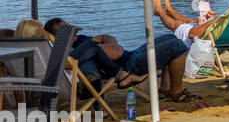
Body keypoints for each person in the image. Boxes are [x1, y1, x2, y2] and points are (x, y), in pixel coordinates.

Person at [43, 18, 193, 102]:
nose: (73, 31)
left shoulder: (80, 40)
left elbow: (109, 38)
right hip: (129, 66)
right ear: (58, 38)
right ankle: (177, 91)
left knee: (170, 38)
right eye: (67, 30)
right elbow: (113, 51)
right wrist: (108, 47)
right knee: (176, 45)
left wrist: (108, 45)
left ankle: (165, 89)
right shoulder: (71, 54)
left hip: (130, 55)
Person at [152, 0, 229, 46]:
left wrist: (201, 24)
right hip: (223, 39)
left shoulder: (223, 20)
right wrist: (212, 20)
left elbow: (192, 34)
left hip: (204, 41)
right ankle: (169, 10)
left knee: (177, 25)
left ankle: (159, 11)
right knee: (191, 21)